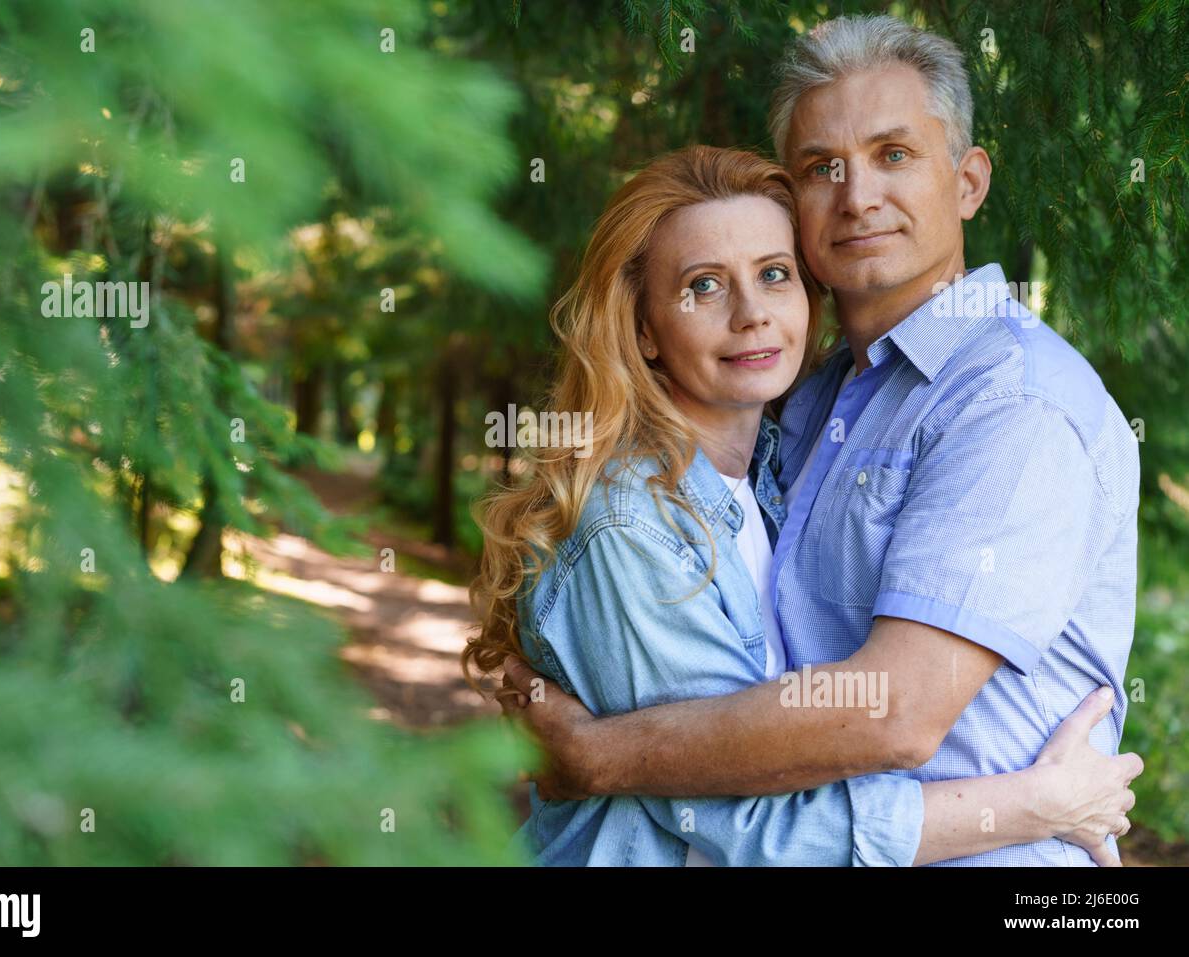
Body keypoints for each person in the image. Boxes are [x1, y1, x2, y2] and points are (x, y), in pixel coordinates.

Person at [466, 143, 1141, 866]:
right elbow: (750, 817)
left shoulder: (775, 474)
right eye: (703, 286)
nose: (752, 314)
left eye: (774, 274)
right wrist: (1037, 805)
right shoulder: (630, 524)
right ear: (643, 331)